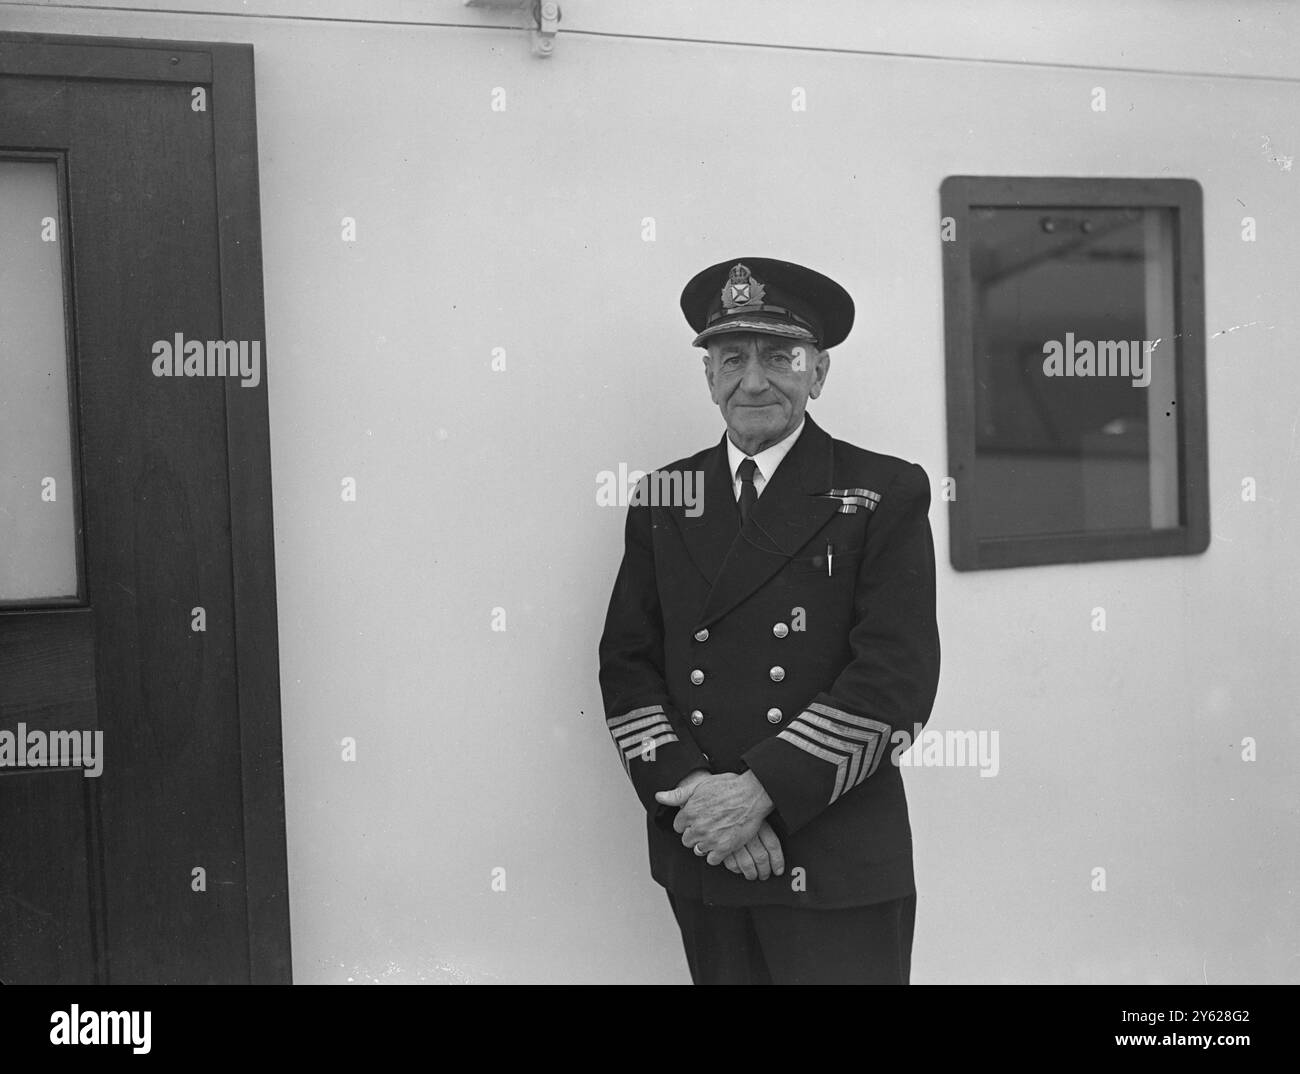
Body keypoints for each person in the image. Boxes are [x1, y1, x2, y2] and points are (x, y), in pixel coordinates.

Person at [597, 257, 941, 984]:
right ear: (709, 377)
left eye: (779, 358)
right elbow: (627, 665)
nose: (753, 381)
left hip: (833, 854)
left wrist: (760, 794)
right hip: (704, 848)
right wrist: (695, 797)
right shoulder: (665, 495)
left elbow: (896, 679)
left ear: (818, 374)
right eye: (732, 359)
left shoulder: (883, 490)